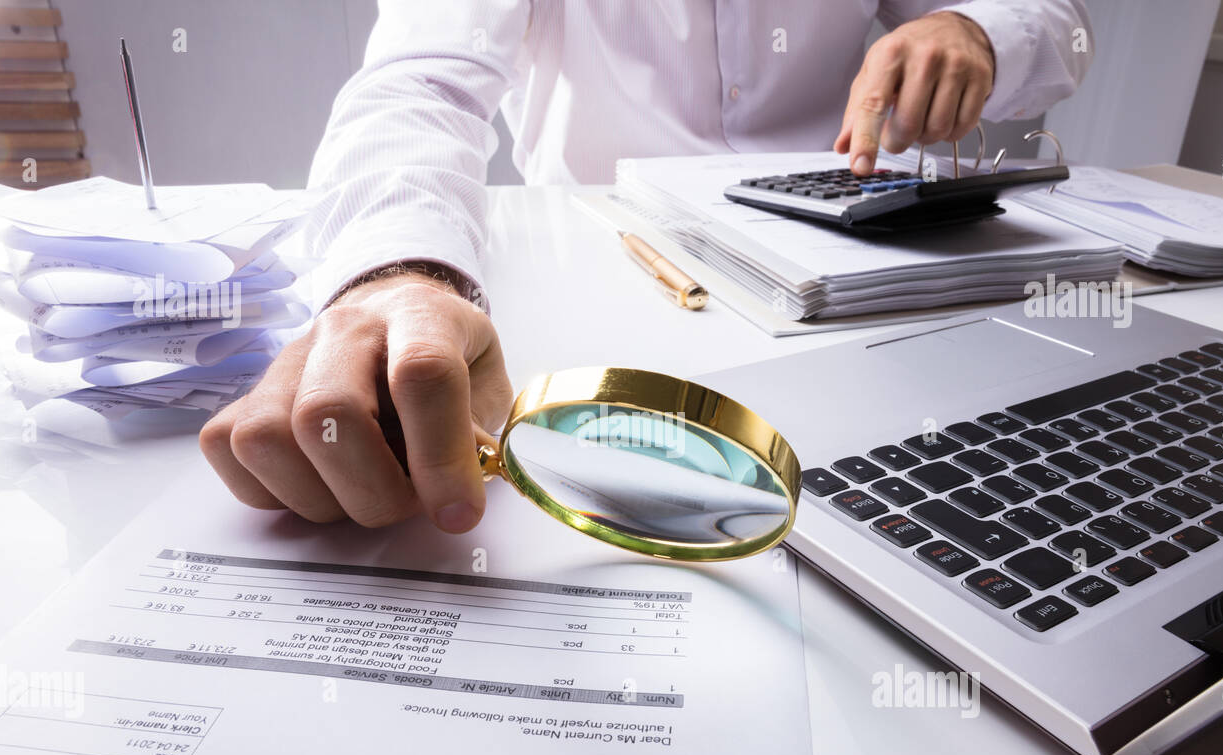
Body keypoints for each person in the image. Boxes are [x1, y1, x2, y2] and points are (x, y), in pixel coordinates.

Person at [200, 0, 1092, 533]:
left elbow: (1059, 23)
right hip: (602, 263)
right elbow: (419, 81)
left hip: (853, 259)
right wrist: (394, 270)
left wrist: (975, 25)